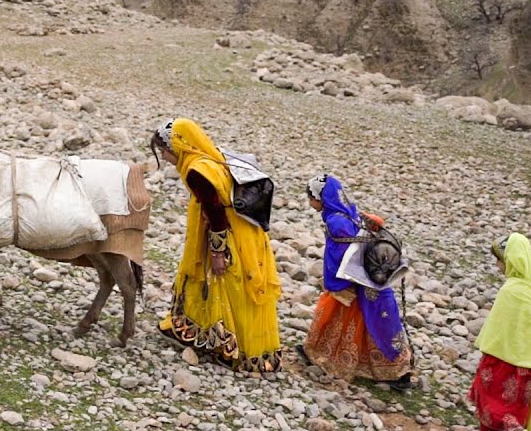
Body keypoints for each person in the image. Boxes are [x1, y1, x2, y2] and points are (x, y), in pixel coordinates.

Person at [153, 119, 283, 374]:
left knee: (225, 283)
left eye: (164, 151)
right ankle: (212, 337)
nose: (165, 157)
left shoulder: (196, 172)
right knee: (237, 286)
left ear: (178, 146)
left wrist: (217, 252)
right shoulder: (212, 158)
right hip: (246, 231)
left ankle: (232, 349)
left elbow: (216, 214)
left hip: (227, 234)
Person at [299, 174, 413, 389]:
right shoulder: (350, 213)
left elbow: (343, 255)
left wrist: (338, 284)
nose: (309, 203)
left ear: (321, 199)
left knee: (351, 317)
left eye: (311, 197)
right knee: (380, 321)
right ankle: (394, 370)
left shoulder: (336, 221)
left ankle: (337, 360)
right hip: (370, 279)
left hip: (355, 280)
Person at [468, 233, 531, 431]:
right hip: (527, 358)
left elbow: (500, 327)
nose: (497, 266)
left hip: (504, 355)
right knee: (513, 399)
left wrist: (487, 347)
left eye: (499, 261)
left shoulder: (512, 290)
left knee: (490, 390)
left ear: (512, 260)